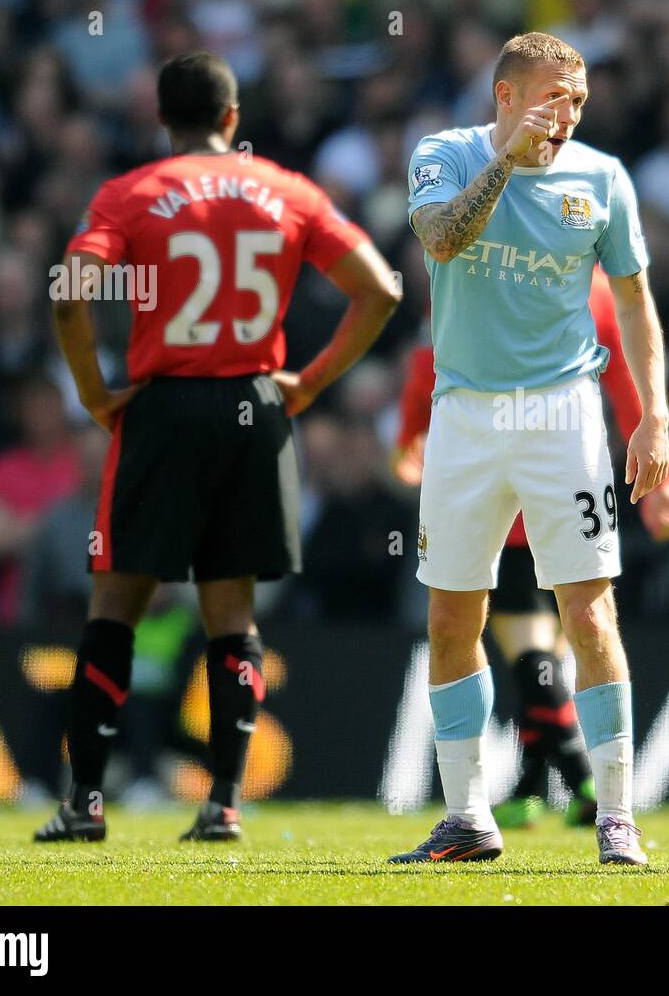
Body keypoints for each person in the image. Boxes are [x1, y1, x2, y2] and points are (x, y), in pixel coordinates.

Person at [35, 51, 399, 843]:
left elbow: (70, 292)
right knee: (230, 616)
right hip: (253, 408)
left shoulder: (131, 194)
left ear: (163, 121)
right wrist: (309, 382)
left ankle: (85, 802)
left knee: (116, 607)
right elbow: (383, 288)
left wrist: (95, 393)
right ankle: (224, 802)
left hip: (161, 411)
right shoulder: (290, 190)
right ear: (233, 120)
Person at [390, 32, 669, 866]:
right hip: (465, 415)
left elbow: (637, 300)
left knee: (587, 609)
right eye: (553, 98)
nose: (568, 116)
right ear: (505, 95)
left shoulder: (604, 178)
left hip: (564, 414)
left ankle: (617, 813)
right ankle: (469, 815)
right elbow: (441, 240)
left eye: (578, 101)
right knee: (452, 613)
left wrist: (654, 414)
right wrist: (507, 163)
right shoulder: (443, 153)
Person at [392, 268, 669, 829]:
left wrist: (410, 432)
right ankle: (538, 786)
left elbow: (427, 360)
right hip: (566, 477)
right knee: (553, 647)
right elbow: (627, 379)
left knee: (530, 650)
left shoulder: (470, 265)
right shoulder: (593, 278)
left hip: (498, 495)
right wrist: (666, 475)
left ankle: (580, 775)